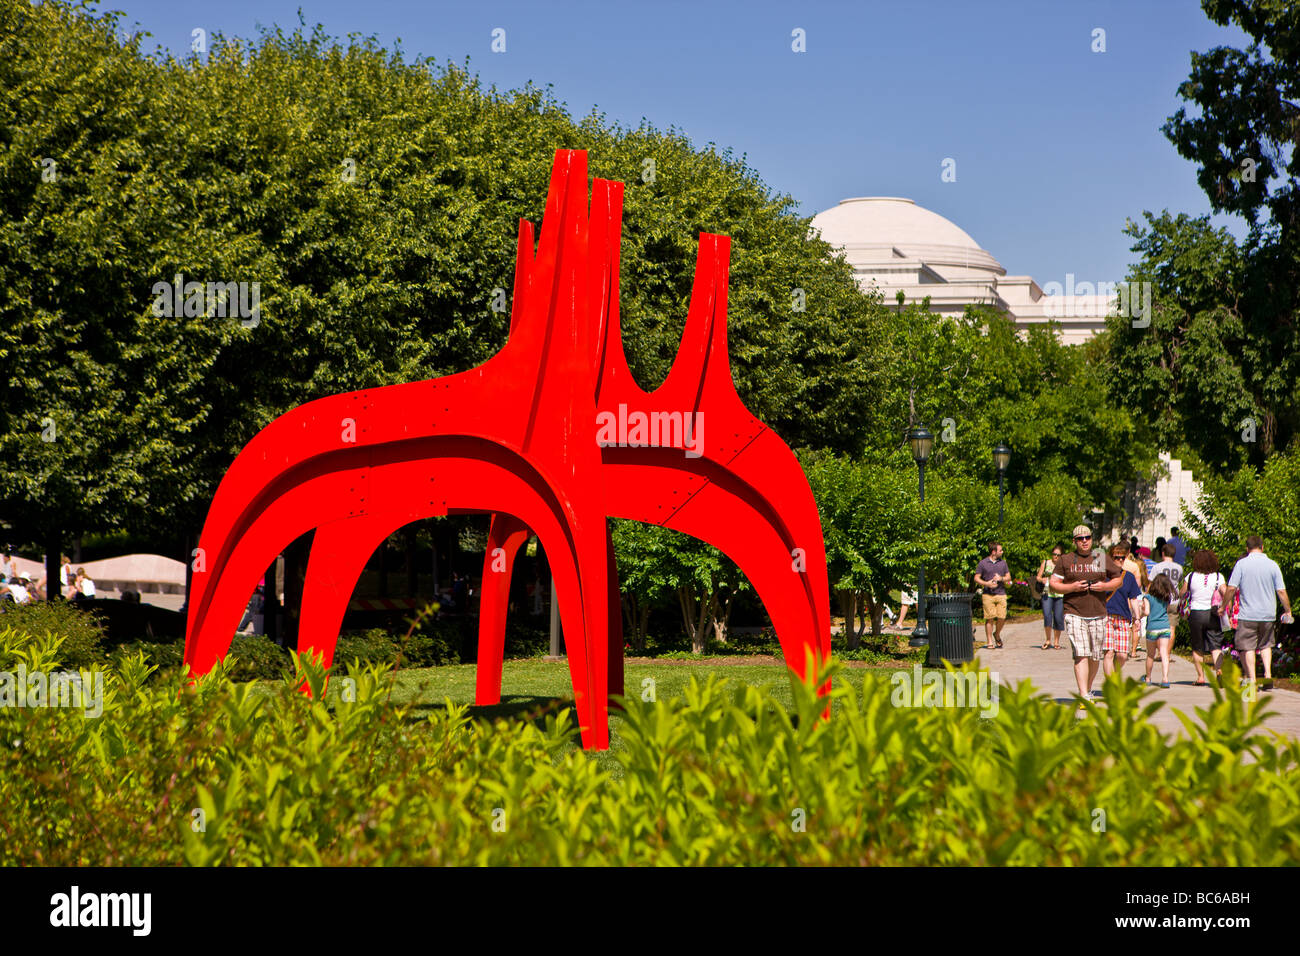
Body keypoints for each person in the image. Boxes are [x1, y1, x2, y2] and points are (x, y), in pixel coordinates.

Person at [1051, 525, 1125, 711]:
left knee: (1095, 656)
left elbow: (1118, 579)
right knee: (1081, 653)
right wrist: (1072, 588)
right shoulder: (1066, 560)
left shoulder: (1099, 557)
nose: (1085, 541)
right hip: (1074, 611)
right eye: (1080, 538)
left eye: (1088, 537)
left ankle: (1088, 688)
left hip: (1098, 612)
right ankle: (1083, 694)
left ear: (1092, 539)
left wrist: (1105, 587)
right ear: (1074, 541)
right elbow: (1053, 584)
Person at [1224, 535, 1294, 692]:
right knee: (1266, 644)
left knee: (1247, 647)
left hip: (1247, 614)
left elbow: (1231, 588)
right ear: (1262, 547)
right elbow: (1281, 591)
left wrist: (1224, 607)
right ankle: (1268, 674)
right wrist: (1288, 610)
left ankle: (1252, 679)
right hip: (1268, 614)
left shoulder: (1241, 564)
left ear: (1247, 549)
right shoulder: (1272, 565)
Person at [1179, 549, 1228, 685]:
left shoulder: (1191, 576)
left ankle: (1201, 676)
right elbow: (1225, 592)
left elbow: (1182, 593)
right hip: (1213, 614)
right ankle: (1219, 671)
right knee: (1215, 646)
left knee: (1197, 647)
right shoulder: (1218, 577)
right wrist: (1224, 606)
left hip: (1195, 614)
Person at [1102, 544, 1142, 679]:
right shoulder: (1103, 575)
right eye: (1116, 557)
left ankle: (1114, 675)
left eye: (1122, 558)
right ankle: (1110, 684)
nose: (1119, 560)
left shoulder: (1129, 577)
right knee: (1109, 653)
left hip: (1124, 618)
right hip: (1106, 616)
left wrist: (1137, 618)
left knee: (1122, 655)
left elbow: (1134, 599)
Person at [1141, 573, 1176, 687]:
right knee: (1164, 653)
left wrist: (1139, 615)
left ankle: (1148, 678)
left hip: (1152, 628)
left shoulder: (1148, 597)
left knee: (1150, 655)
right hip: (1165, 627)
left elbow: (1146, 612)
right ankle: (1165, 679)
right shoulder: (1166, 598)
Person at [974, 541, 1011, 649]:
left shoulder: (1003, 563)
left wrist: (1001, 578)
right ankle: (990, 641)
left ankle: (997, 634)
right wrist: (986, 584)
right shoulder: (983, 563)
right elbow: (976, 578)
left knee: (1002, 617)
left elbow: (1008, 577)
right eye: (1000, 550)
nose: (1002, 552)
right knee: (989, 618)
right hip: (988, 595)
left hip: (1001, 594)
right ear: (994, 552)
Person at [1036, 545, 1065, 650]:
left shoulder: (1063, 565)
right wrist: (1042, 579)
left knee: (1058, 617)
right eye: (1054, 554)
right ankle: (1048, 640)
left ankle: (1056, 641)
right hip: (1047, 592)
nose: (1056, 557)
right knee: (1047, 615)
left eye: (1058, 555)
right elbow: (1038, 577)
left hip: (1059, 594)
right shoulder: (1046, 563)